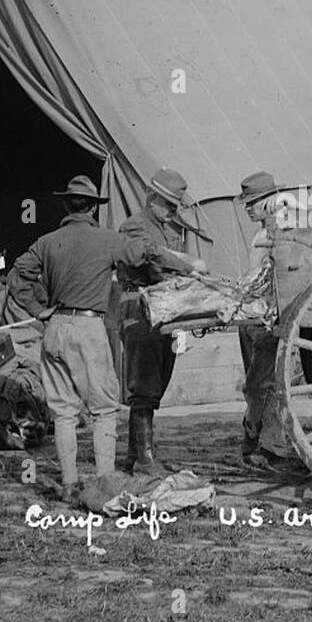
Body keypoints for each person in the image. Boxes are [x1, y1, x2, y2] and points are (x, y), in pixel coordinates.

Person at [9, 174, 175, 502]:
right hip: (88, 328)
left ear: (67, 205)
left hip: (54, 328)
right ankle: (104, 483)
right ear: (94, 209)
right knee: (103, 408)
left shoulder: (47, 241)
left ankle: (70, 484)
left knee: (65, 412)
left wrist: (37, 308)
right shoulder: (106, 240)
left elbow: (17, 275)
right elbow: (148, 254)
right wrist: (187, 264)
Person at [115, 168, 204, 476]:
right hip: (139, 309)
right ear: (151, 198)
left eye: (175, 206)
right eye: (166, 205)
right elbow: (152, 261)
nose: (171, 212)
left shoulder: (170, 229)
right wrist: (189, 264)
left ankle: (135, 455)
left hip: (162, 310)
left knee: (155, 385)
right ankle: (144, 459)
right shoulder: (134, 227)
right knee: (144, 385)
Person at [235, 172, 295, 471]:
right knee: (263, 381)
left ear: (270, 199)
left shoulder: (278, 230)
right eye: (246, 202)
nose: (247, 207)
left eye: (253, 202)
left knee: (259, 383)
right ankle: (267, 442)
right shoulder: (266, 230)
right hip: (257, 314)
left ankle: (256, 445)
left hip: (268, 318)